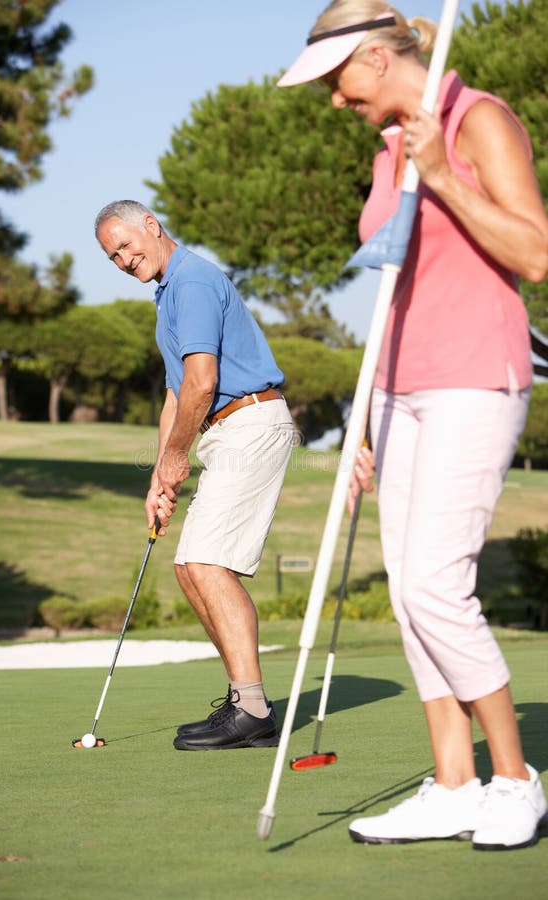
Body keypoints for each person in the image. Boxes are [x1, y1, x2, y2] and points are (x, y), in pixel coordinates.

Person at [278, 1, 548, 850]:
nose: (333, 99)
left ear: (373, 58)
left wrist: (441, 174)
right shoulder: (388, 148)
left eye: (335, 81)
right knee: (406, 592)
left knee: (435, 582)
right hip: (396, 391)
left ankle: (515, 779)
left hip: (476, 375)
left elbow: (535, 253)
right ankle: (454, 784)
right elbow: (397, 293)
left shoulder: (478, 119)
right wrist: (359, 416)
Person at [94, 200, 375, 750]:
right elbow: (176, 394)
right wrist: (160, 476)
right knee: (189, 569)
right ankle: (246, 703)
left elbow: (202, 382)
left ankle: (252, 710)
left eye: (126, 245)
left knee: (208, 564)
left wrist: (177, 458)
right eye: (113, 257)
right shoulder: (168, 294)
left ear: (152, 225)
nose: (124, 260)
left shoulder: (192, 281)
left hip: (250, 422)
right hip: (226, 430)